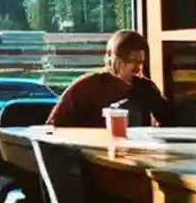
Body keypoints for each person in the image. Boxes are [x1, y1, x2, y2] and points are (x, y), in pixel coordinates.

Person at [46, 29, 174, 128]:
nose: (136, 68)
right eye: (130, 61)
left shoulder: (146, 88)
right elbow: (53, 127)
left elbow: (170, 122)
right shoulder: (86, 87)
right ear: (112, 58)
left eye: (140, 62)